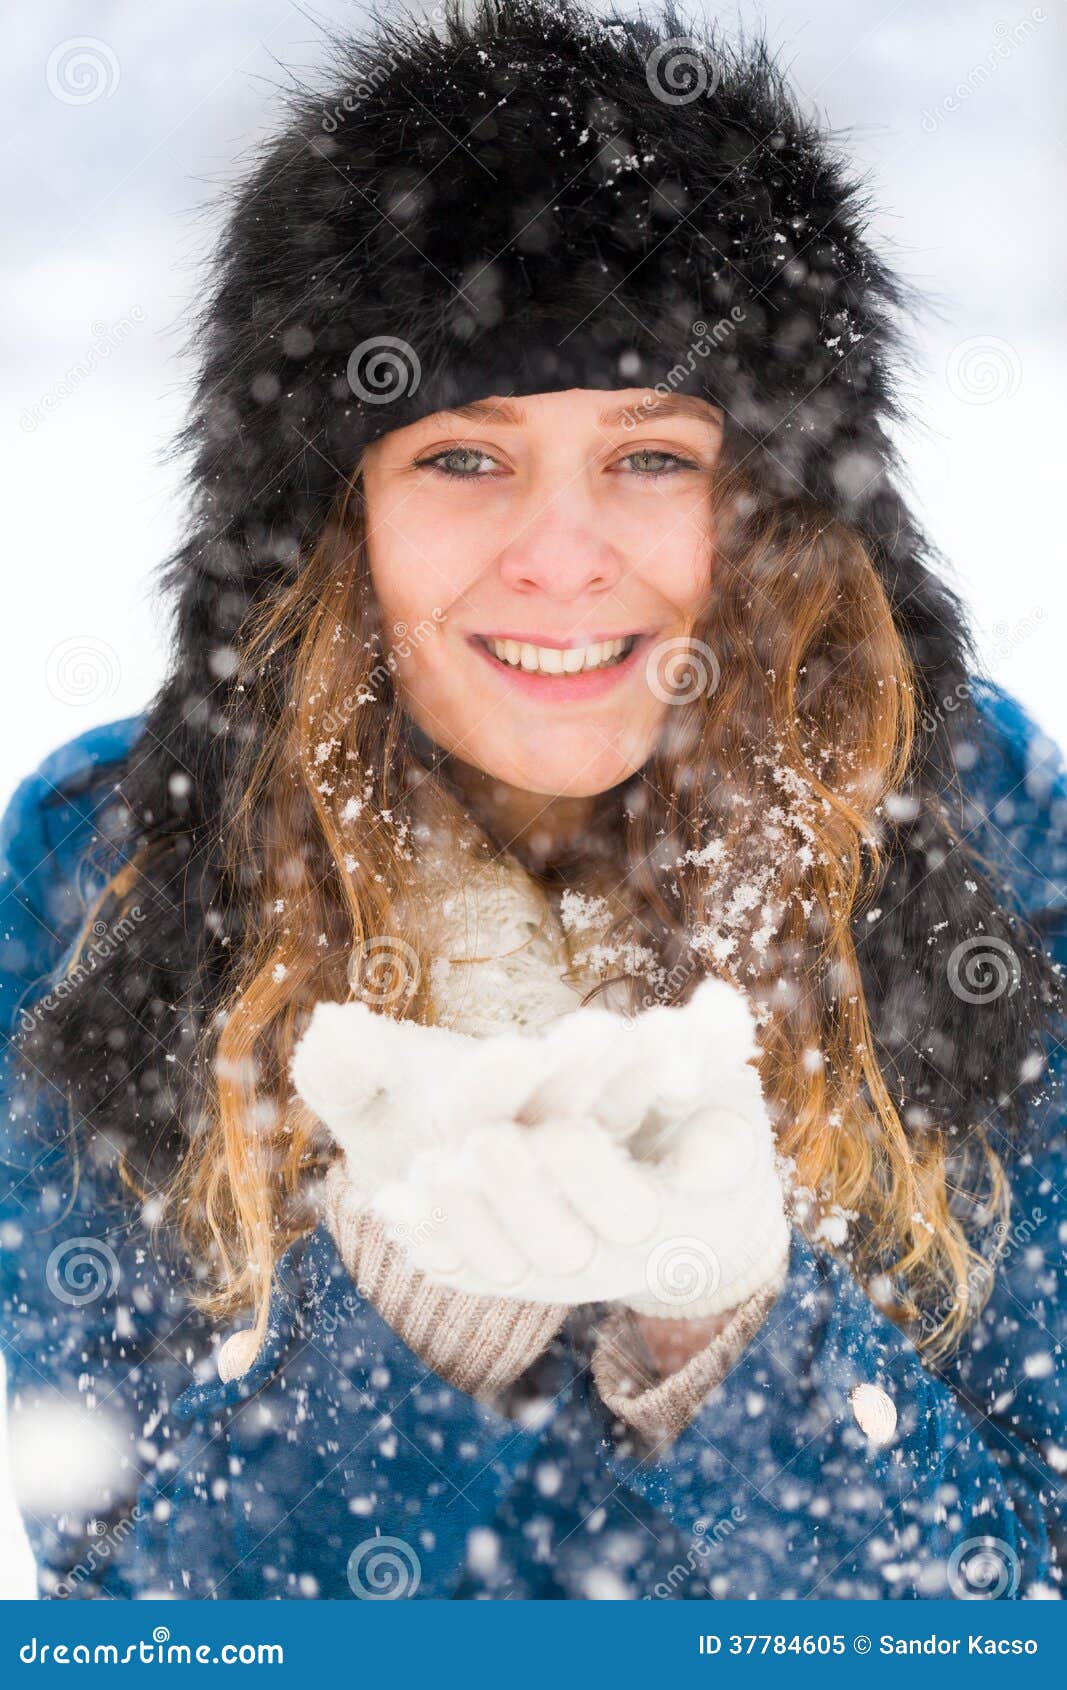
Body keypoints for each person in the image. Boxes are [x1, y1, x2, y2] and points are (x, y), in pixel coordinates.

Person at [2, 0, 1064, 1602]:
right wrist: (405, 1349)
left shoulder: (978, 826)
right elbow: (131, 1616)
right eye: (460, 458)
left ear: (770, 499)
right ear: (327, 517)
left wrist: (741, 1344)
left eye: (652, 456)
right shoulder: (106, 867)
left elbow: (1023, 1601)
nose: (562, 559)